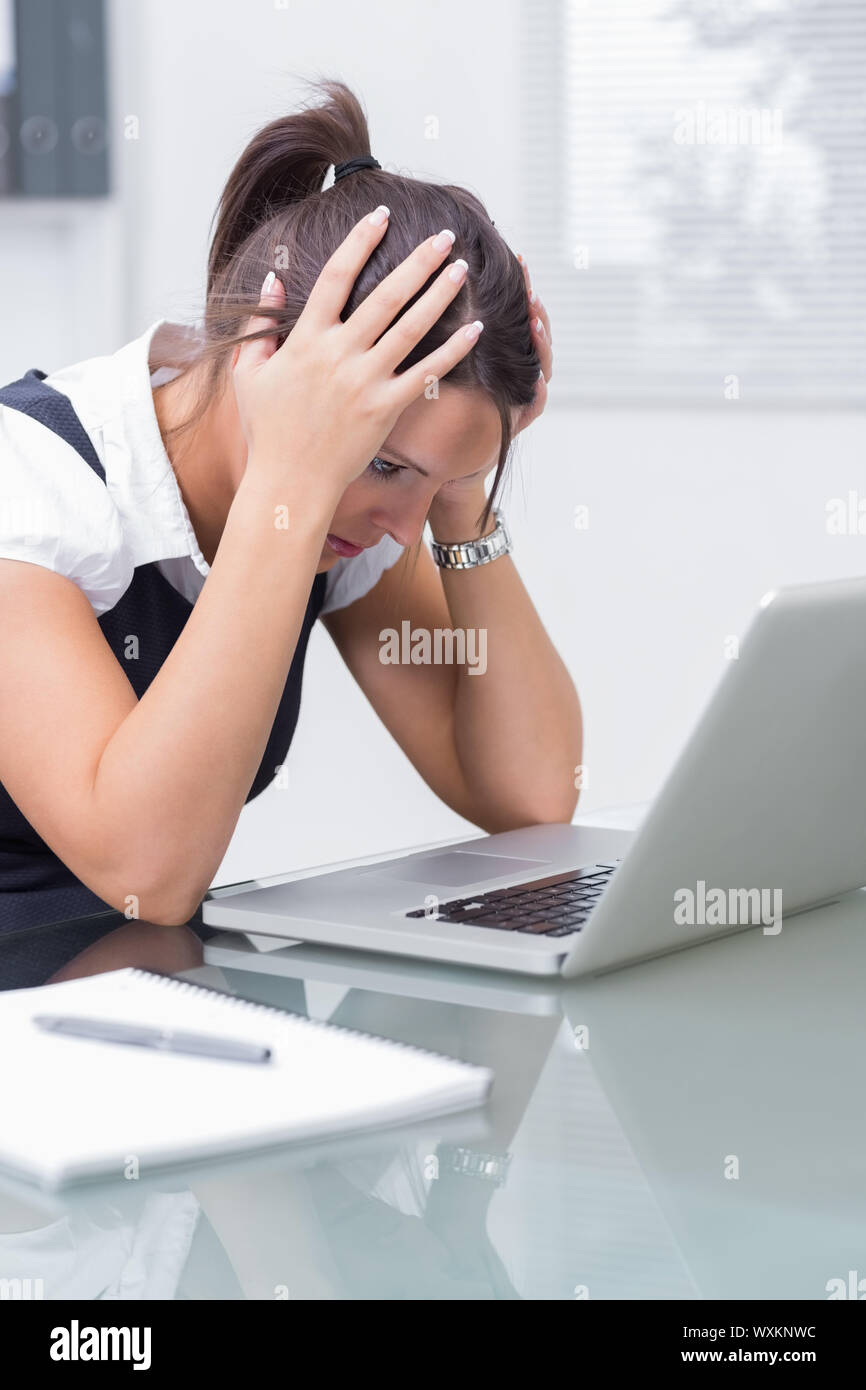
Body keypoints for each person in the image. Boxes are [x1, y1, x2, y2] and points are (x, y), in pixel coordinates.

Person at [0, 80, 581, 989]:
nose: (401, 527)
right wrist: (297, 478)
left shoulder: (341, 526)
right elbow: (146, 877)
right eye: (387, 466)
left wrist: (464, 503)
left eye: (438, 481)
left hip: (132, 1011)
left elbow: (534, 795)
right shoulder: (30, 481)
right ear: (260, 359)